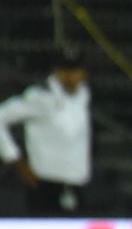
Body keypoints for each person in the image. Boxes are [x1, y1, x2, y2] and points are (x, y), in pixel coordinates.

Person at [0, 46, 91, 215]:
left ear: (83, 73)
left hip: (77, 184)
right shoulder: (41, 97)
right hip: (46, 185)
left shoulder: (83, 95)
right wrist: (15, 160)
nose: (70, 76)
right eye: (65, 70)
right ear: (56, 71)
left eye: (75, 70)